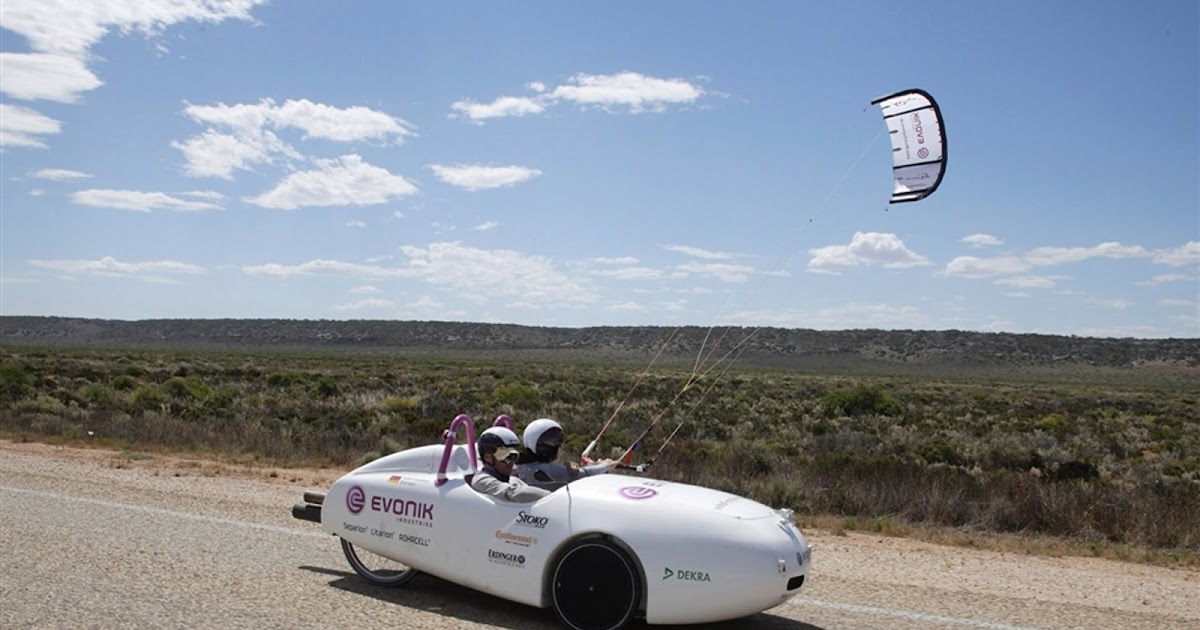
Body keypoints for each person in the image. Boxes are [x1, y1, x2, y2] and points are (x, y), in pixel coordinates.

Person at [515, 418, 617, 492]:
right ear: (537, 443)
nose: (557, 445)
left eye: (558, 441)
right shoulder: (548, 470)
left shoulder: (518, 466)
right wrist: (606, 465)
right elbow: (586, 475)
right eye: (552, 441)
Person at [471, 426, 551, 502]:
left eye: (513, 456)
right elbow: (511, 493)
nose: (511, 462)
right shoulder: (481, 480)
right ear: (488, 458)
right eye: (504, 456)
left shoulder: (513, 480)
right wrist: (551, 497)